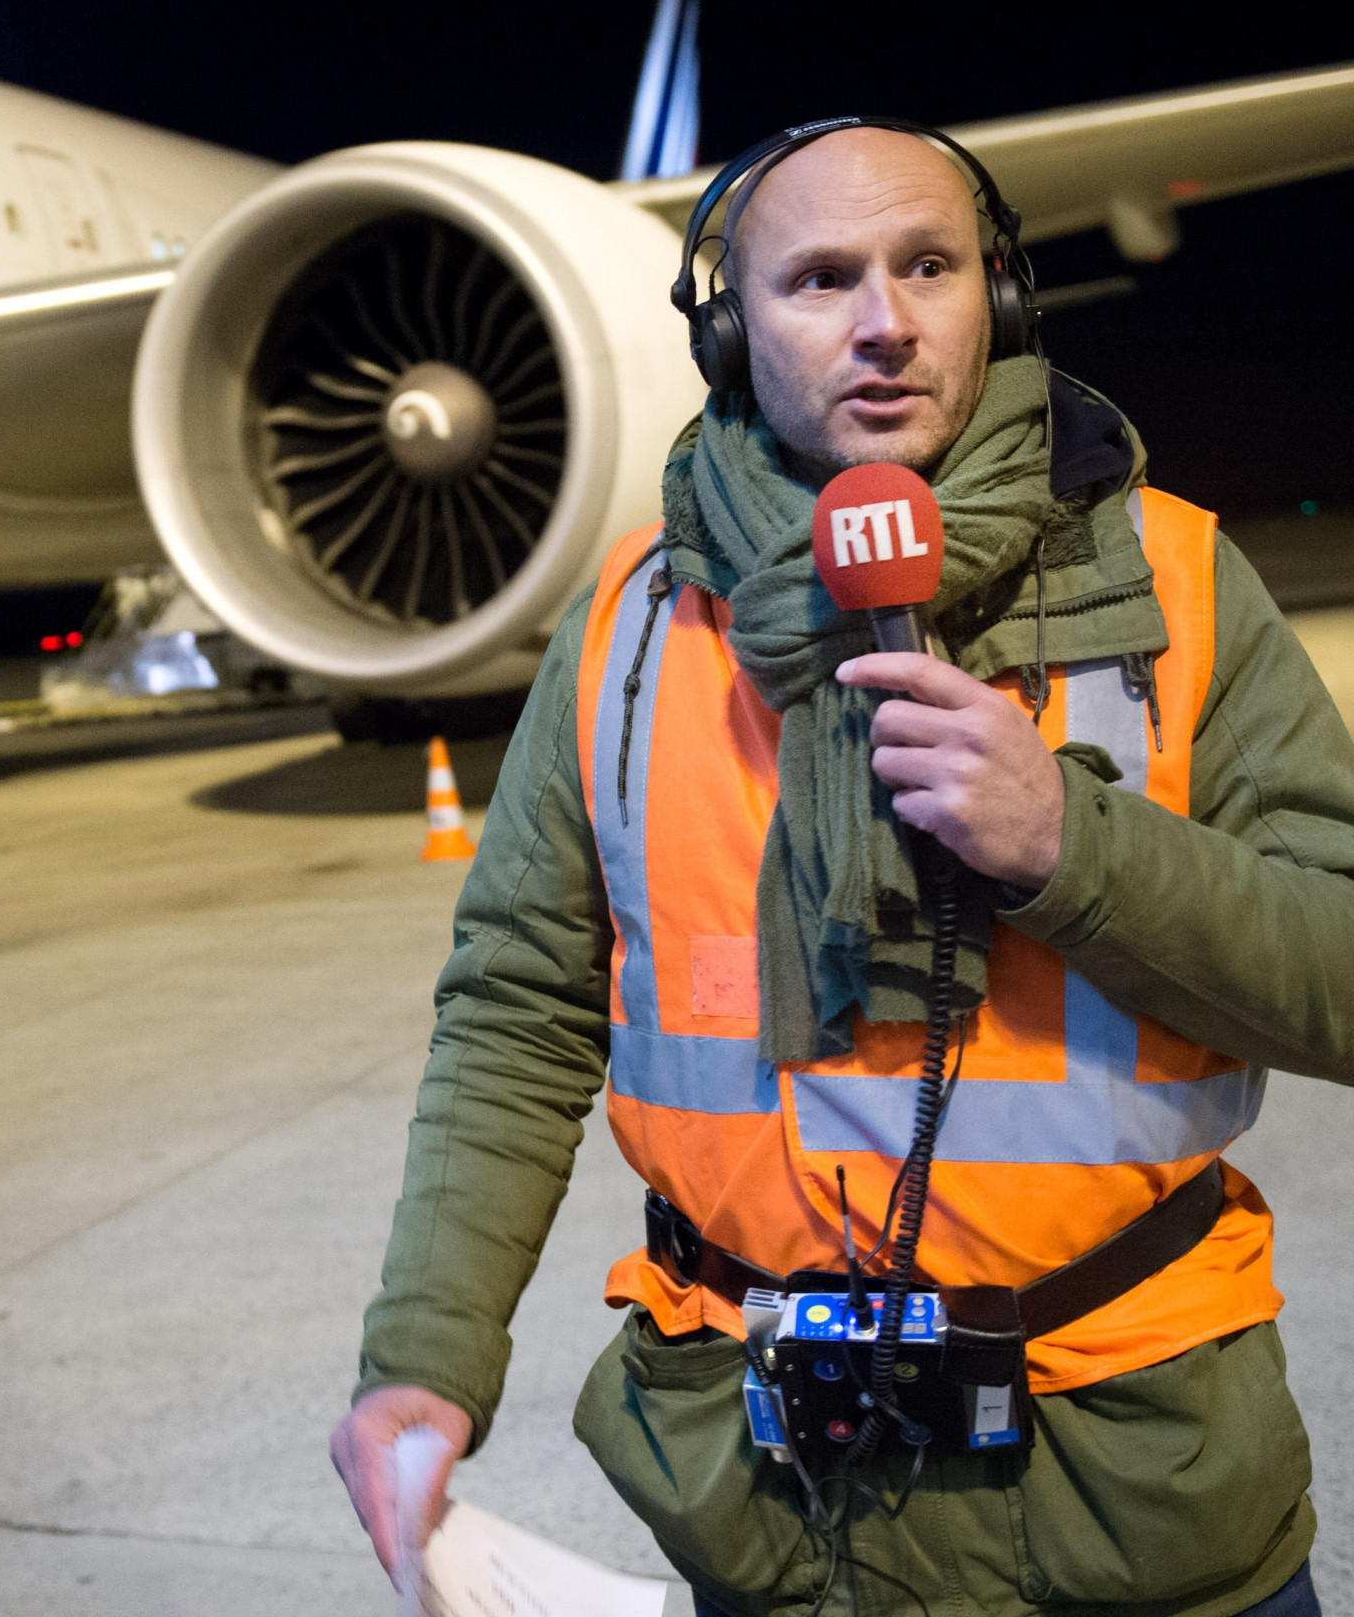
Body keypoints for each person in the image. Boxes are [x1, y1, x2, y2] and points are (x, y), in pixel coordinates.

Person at [330, 121, 1353, 1615]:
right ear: (732, 333)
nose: (886, 321)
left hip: (1135, 1493)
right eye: (820, 279)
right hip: (778, 1507)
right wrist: (424, 1355)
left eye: (929, 266)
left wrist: (1074, 848)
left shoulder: (1178, 581)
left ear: (998, 296)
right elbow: (516, 1012)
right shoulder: (631, 627)